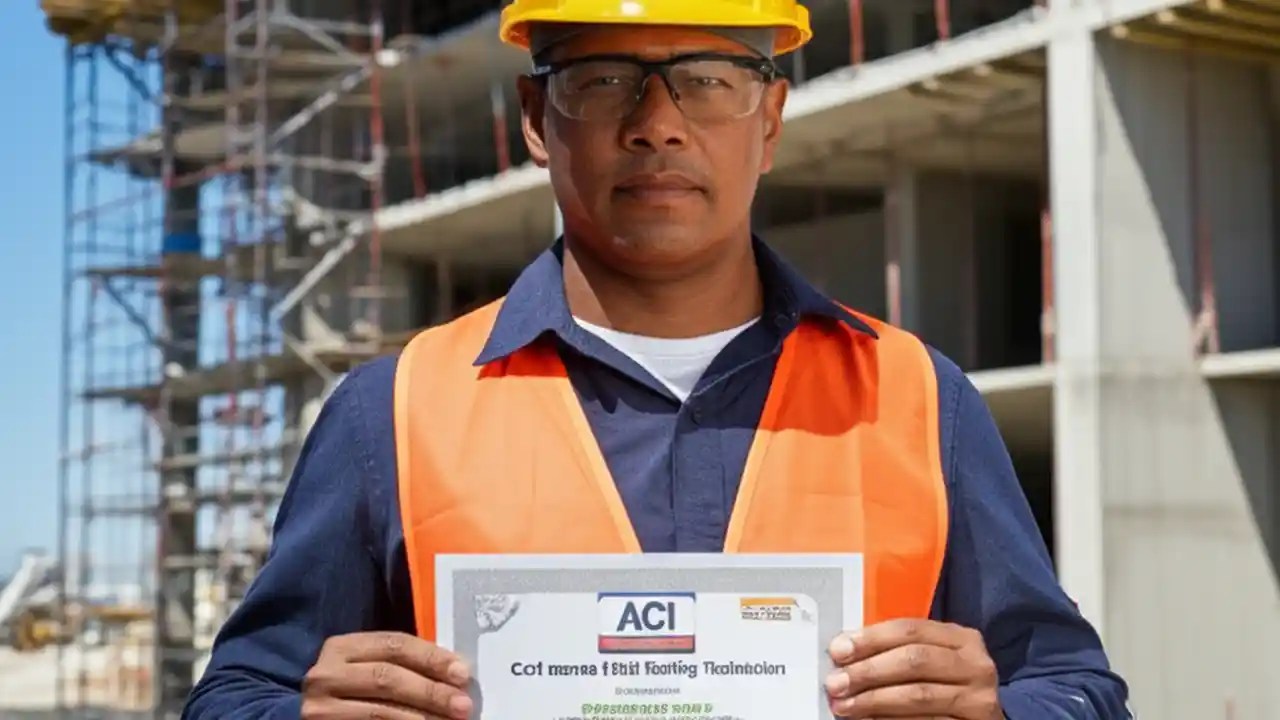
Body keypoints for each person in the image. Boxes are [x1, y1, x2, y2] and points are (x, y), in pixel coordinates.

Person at [184, 1, 1132, 718]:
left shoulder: (920, 397)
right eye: (602, 80)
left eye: (710, 79)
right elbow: (233, 694)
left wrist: (998, 710)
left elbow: (1081, 688)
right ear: (534, 117)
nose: (658, 124)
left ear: (770, 117)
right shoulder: (392, 410)